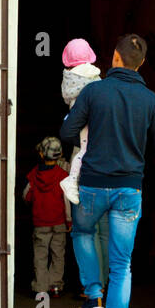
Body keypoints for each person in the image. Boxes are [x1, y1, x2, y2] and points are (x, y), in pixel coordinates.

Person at [59, 32, 155, 308]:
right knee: (122, 266)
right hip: (129, 190)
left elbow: (68, 133)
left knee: (82, 232)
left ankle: (93, 293)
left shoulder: (95, 92)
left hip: (93, 185)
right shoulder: (151, 100)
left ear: (113, 57)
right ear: (140, 64)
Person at [22, 136, 71, 298]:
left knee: (40, 255)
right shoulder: (63, 175)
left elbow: (26, 196)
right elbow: (67, 200)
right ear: (61, 153)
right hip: (59, 222)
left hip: (40, 223)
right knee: (58, 254)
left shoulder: (34, 174)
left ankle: (41, 287)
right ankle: (55, 285)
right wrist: (69, 219)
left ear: (41, 155)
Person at [59, 37, 101, 206]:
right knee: (85, 149)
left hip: (75, 114)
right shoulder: (91, 75)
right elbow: (101, 91)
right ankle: (72, 180)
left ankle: (73, 180)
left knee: (82, 148)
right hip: (87, 115)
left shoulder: (68, 77)